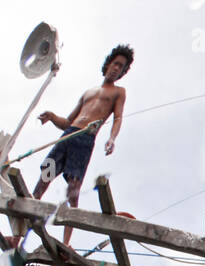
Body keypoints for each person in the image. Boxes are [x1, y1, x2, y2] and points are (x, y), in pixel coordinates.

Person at [33, 44, 133, 247]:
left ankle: (66, 242)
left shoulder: (118, 92)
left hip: (85, 140)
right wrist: (52, 116)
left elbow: (118, 117)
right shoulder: (88, 92)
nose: (116, 69)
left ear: (122, 73)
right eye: (115, 64)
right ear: (108, 65)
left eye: (121, 68)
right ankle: (20, 231)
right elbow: (68, 121)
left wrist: (112, 138)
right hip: (69, 135)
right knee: (45, 176)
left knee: (73, 188)